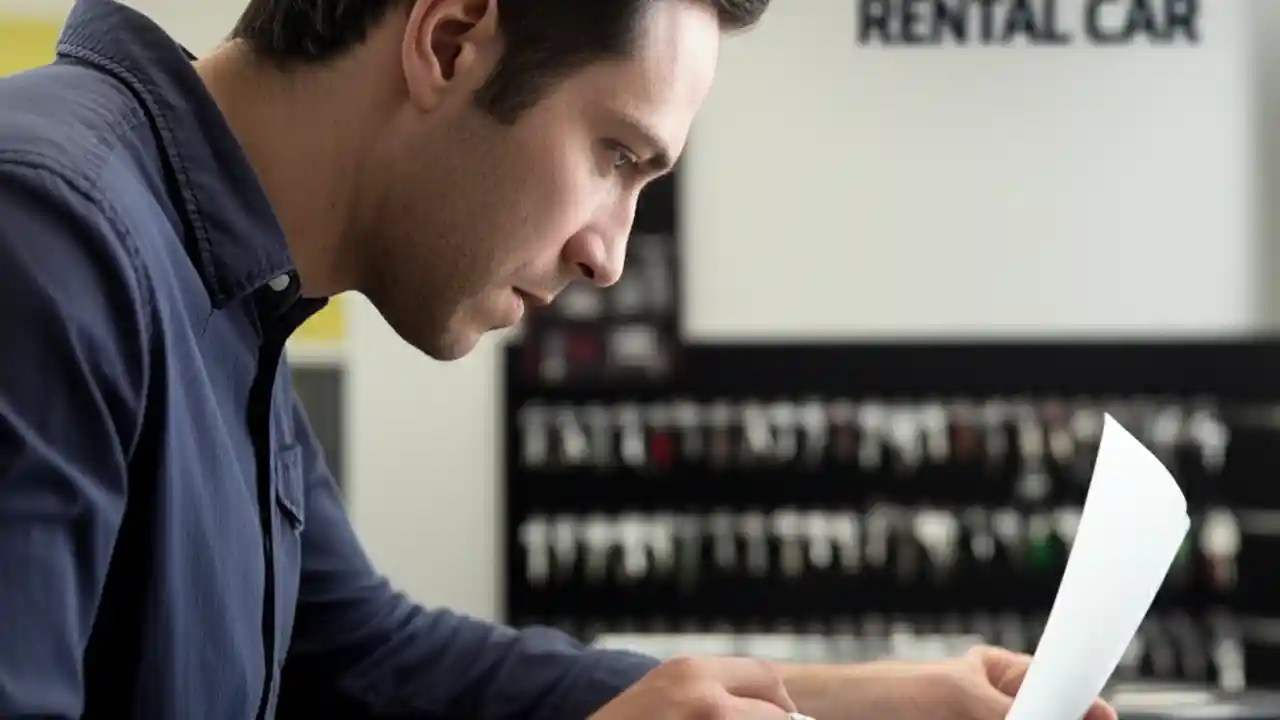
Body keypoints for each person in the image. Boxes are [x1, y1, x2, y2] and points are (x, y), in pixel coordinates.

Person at [0, 0, 1119, 717]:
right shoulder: (50, 237)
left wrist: (874, 702)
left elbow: (374, 660)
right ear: (449, 40)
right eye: (614, 155)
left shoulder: (228, 292)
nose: (607, 256)